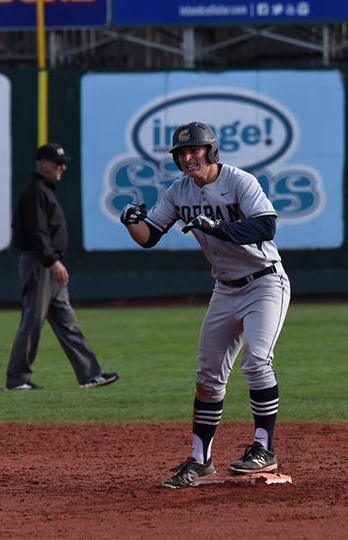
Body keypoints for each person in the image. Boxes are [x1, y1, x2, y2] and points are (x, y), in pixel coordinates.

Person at [119, 122, 290, 488]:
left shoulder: (239, 181)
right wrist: (132, 223)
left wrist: (217, 227)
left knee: (256, 361)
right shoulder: (179, 191)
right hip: (225, 289)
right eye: (181, 153)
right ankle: (200, 460)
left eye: (194, 150)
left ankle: (264, 449)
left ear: (211, 151)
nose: (187, 158)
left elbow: (266, 227)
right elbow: (150, 236)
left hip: (265, 282)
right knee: (208, 377)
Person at [6, 142, 120, 391]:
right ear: (43, 163)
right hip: (41, 264)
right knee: (33, 321)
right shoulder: (36, 190)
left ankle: (90, 375)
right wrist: (51, 261)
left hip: (49, 264)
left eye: (64, 163)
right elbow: (37, 233)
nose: (62, 167)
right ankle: (17, 379)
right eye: (58, 163)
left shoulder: (45, 189)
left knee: (68, 322)